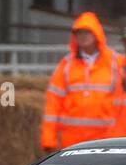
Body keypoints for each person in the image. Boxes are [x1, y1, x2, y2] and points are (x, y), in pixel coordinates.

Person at [40, 12, 120, 152]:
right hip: (72, 142)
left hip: (107, 140)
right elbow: (53, 104)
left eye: (87, 32)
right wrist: (49, 139)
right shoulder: (66, 65)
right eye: (79, 33)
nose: (83, 36)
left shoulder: (115, 63)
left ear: (97, 34)